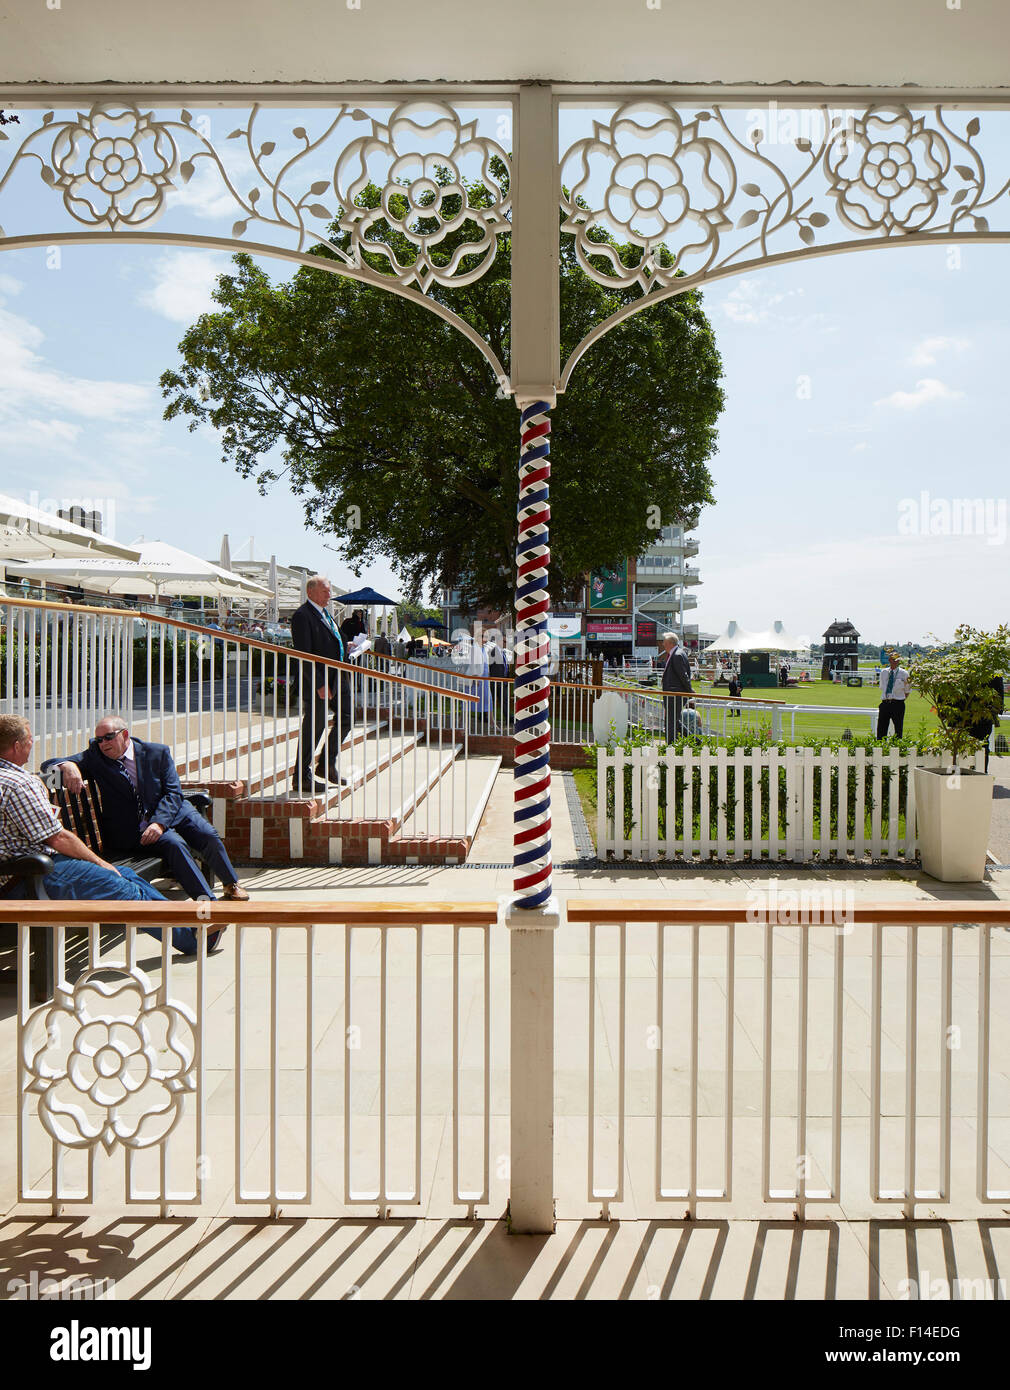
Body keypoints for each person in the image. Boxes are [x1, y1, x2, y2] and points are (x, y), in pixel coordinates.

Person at [0, 715, 218, 955]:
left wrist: (53, 770)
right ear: (17, 746)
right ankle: (193, 941)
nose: (32, 744)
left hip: (25, 867)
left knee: (127, 874)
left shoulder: (14, 780)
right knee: (122, 887)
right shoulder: (17, 784)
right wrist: (100, 863)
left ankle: (192, 925)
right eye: (30, 740)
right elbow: (57, 838)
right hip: (28, 876)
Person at [43, 716, 248, 915]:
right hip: (136, 826)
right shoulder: (96, 755)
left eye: (108, 737)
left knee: (207, 834)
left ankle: (231, 884)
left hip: (172, 809)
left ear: (125, 734)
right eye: (99, 739)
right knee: (174, 844)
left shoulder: (156, 752)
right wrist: (67, 765)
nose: (103, 743)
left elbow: (173, 792)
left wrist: (159, 823)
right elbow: (48, 764)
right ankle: (206, 905)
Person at [290, 575, 353, 792]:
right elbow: (304, 654)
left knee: (348, 717)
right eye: (325, 591)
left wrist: (348, 645)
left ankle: (326, 764)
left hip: (337, 676)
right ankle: (301, 776)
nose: (329, 595)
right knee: (314, 728)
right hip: (318, 680)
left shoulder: (326, 613)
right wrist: (319, 683)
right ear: (311, 592)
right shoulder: (302, 615)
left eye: (329, 591)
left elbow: (334, 639)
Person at [661, 631, 693, 741]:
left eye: (664, 642)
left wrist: (690, 693)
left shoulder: (677, 655)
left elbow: (683, 676)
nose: (663, 644)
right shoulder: (677, 653)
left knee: (671, 722)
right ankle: (696, 741)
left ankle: (670, 747)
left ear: (670, 643)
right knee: (673, 722)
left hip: (674, 695)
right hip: (673, 695)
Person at [877, 651, 912, 737]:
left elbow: (907, 691)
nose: (895, 661)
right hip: (885, 703)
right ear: (889, 660)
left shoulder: (904, 673)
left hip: (898, 704)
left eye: (897, 660)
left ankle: (897, 748)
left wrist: (898, 700)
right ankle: (880, 748)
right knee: (881, 729)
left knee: (898, 729)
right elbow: (882, 687)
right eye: (893, 659)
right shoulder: (883, 672)